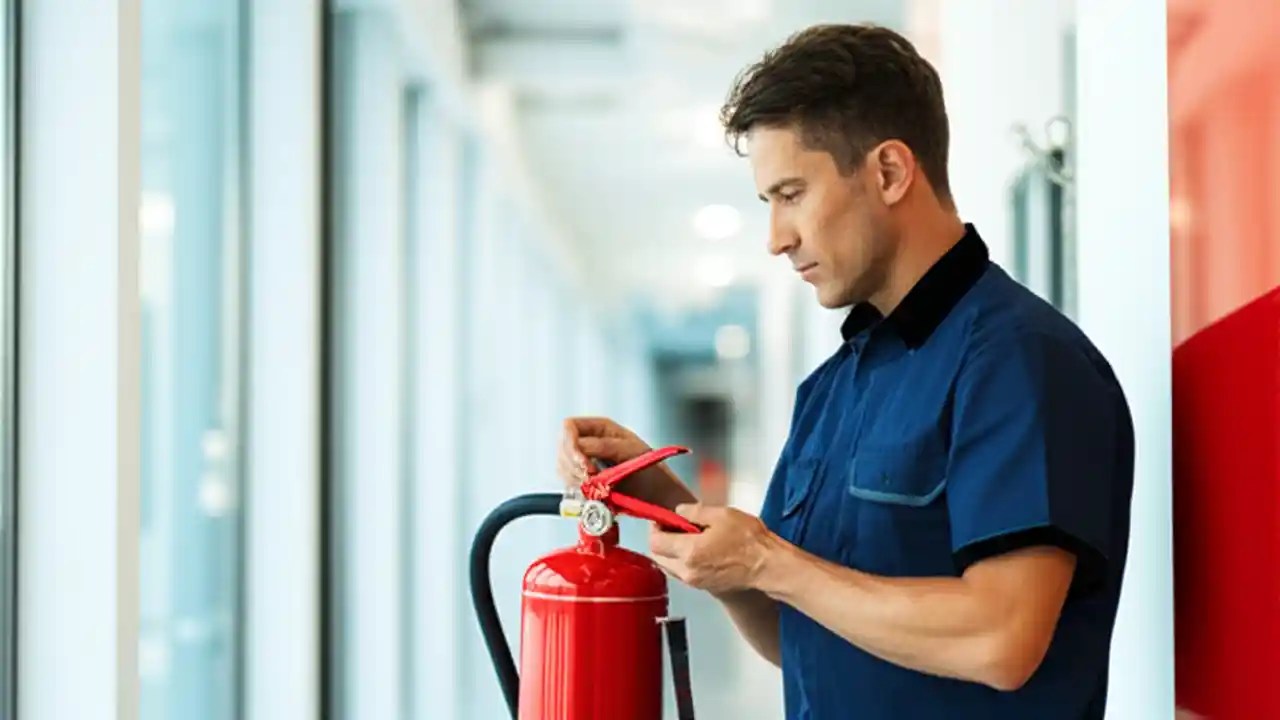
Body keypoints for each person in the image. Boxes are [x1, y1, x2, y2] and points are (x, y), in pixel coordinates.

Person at [558, 23, 1134, 720]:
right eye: (767, 202)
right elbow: (792, 631)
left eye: (791, 193)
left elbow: (1001, 637)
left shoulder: (1017, 359)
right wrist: (671, 504)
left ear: (889, 172)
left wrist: (772, 561)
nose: (776, 238)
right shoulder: (833, 389)